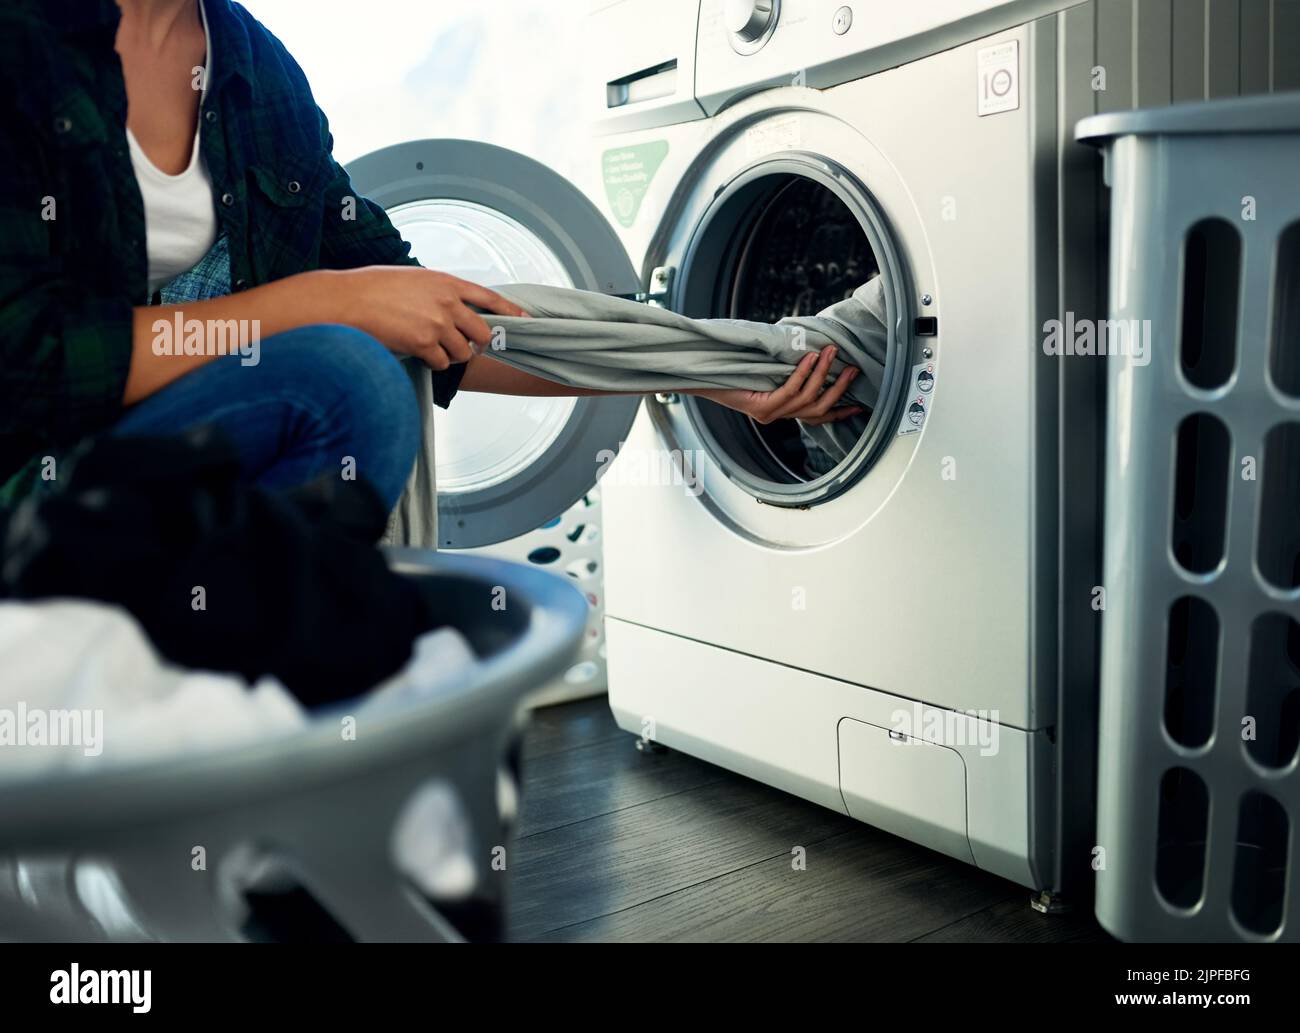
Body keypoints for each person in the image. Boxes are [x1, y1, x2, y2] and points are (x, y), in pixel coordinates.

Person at [0, 0, 864, 513]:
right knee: (343, 375)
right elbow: (25, 361)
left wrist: (694, 365)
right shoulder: (22, 44)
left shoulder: (256, 72)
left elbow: (428, 318)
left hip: (171, 472)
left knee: (364, 366)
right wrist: (324, 302)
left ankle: (211, 695)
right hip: (32, 476)